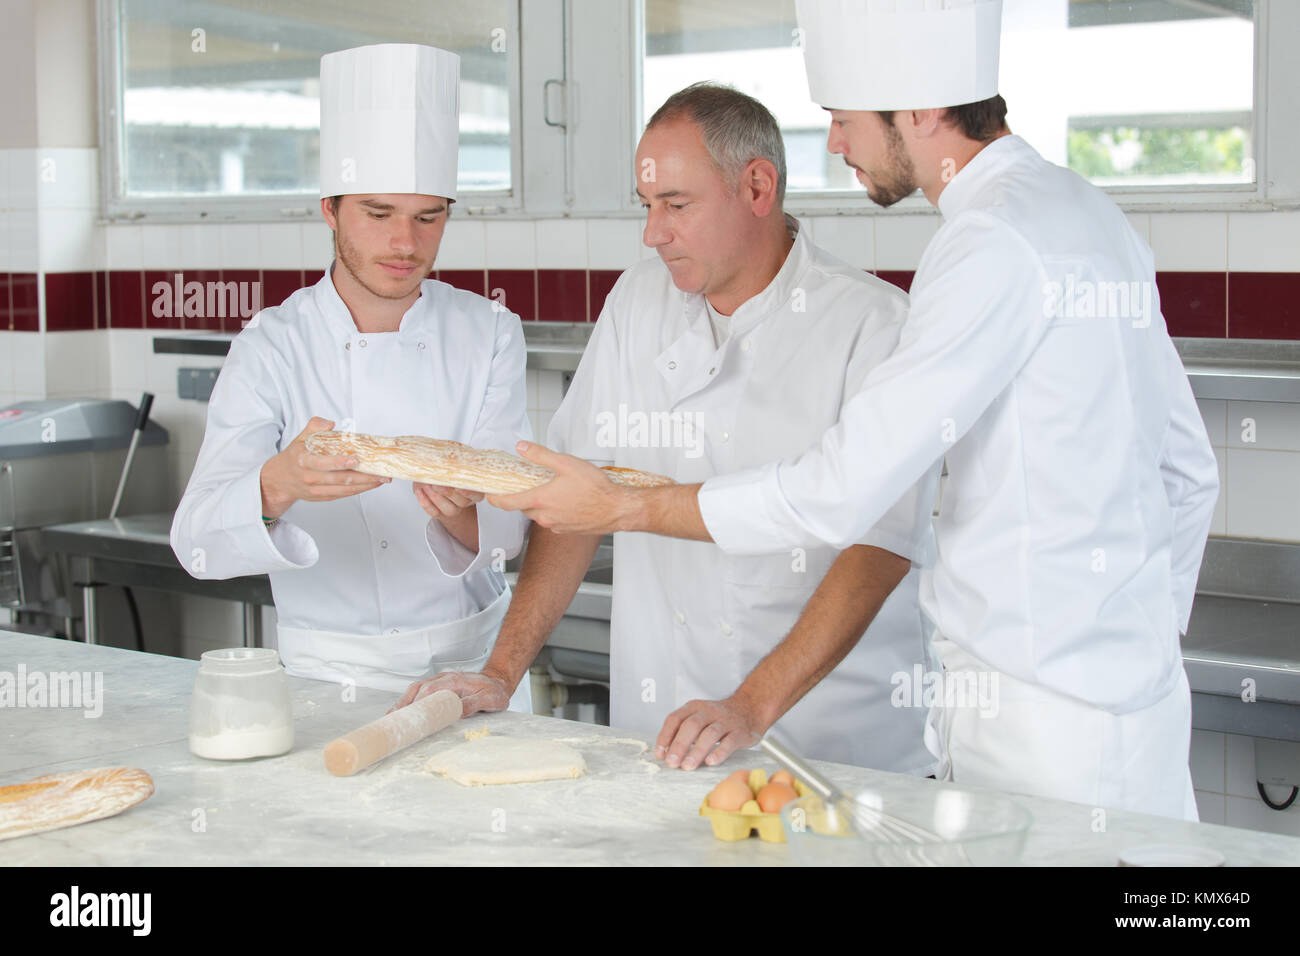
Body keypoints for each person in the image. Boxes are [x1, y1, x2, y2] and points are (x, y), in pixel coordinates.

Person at [482, 0, 1219, 820]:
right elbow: (1188, 471)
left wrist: (628, 505)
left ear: (922, 109)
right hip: (1109, 700)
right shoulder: (1084, 212)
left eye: (844, 118)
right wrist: (1132, 640)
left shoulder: (986, 245)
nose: (833, 143)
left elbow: (842, 493)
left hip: (1040, 717)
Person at [397, 83, 940, 775]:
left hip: (830, 748)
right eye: (647, 206)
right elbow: (574, 504)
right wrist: (500, 672)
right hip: (664, 735)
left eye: (676, 205)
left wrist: (748, 706)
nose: (654, 233)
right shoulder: (638, 299)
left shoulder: (875, 325)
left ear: (757, 186)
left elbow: (879, 551)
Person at [172, 43, 532, 708]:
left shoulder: (490, 333)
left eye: (429, 217)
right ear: (330, 210)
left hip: (471, 666)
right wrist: (276, 484)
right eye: (378, 213)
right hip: (324, 678)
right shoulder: (272, 345)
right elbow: (196, 543)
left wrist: (463, 515)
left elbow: (516, 536)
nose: (406, 243)